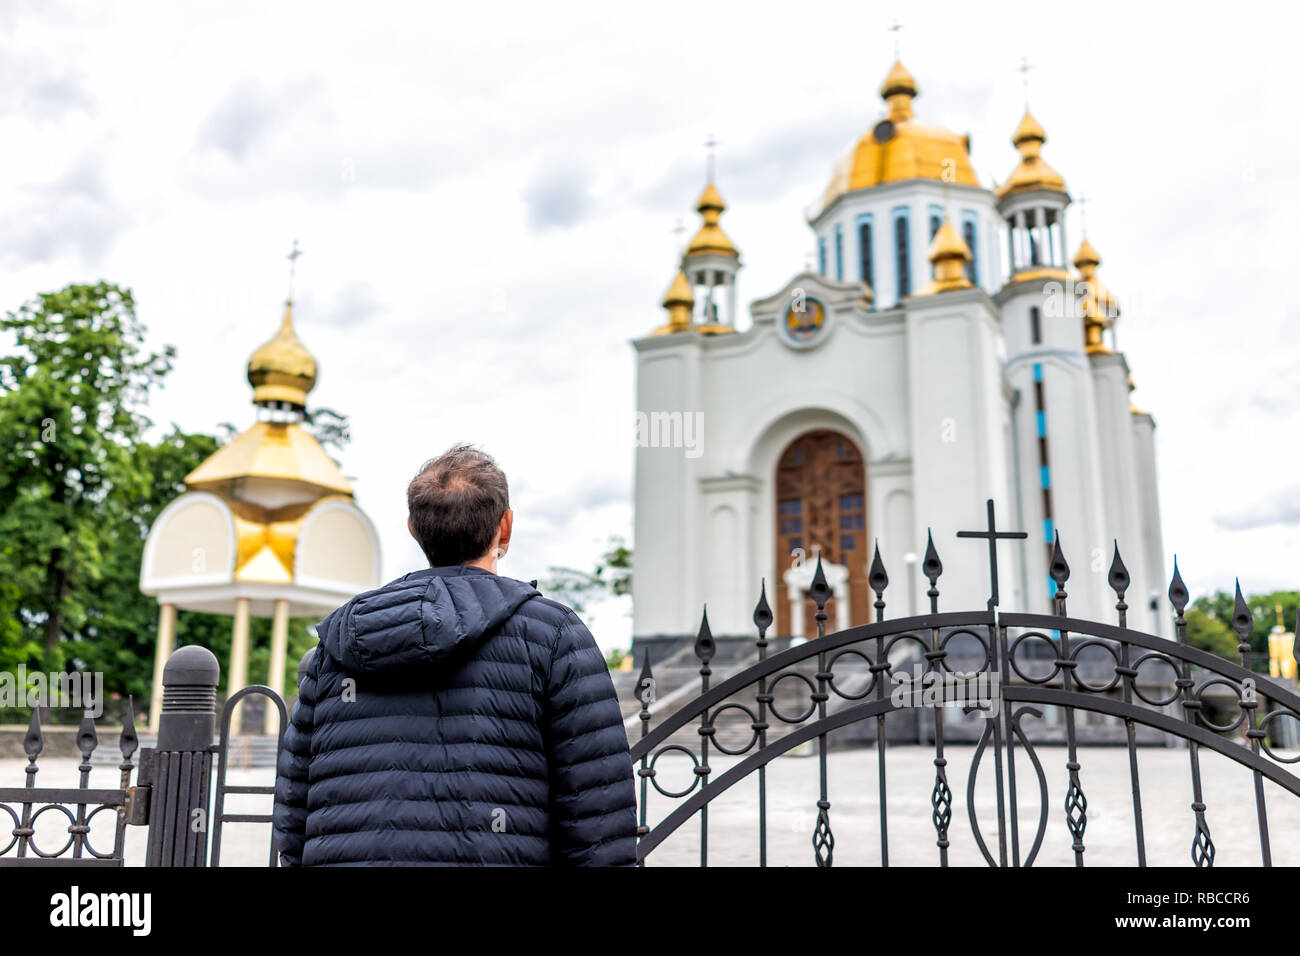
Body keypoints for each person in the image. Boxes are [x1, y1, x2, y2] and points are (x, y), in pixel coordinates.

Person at [272, 444, 637, 866]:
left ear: (413, 528)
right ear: (506, 528)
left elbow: (293, 808)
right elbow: (598, 812)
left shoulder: (338, 642)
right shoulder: (553, 634)